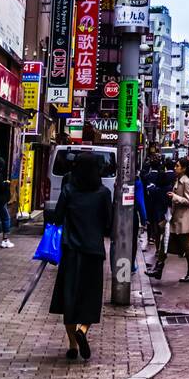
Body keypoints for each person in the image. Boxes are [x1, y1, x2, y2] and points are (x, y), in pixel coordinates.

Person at [49, 155, 113, 361]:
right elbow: (108, 224)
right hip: (93, 252)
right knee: (90, 298)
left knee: (69, 298)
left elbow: (56, 217)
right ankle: (83, 329)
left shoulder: (68, 190)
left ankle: (72, 346)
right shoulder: (104, 193)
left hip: (70, 252)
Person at [157, 157, 189, 283]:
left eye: (178, 166)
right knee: (165, 241)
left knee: (186, 247)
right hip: (176, 219)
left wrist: (175, 197)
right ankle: (158, 268)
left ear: (184, 168)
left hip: (183, 220)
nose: (175, 168)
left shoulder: (186, 182)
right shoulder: (178, 179)